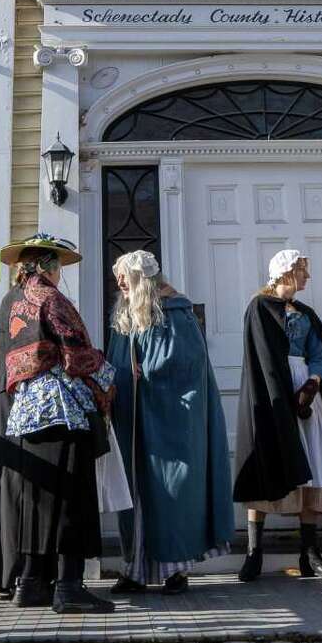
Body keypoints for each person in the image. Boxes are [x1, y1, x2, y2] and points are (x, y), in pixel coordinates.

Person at [0, 233, 117, 615]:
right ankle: (69, 586)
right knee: (71, 491)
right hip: (60, 407)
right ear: (48, 265)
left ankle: (31, 583)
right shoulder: (51, 298)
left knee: (35, 495)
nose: (60, 272)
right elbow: (76, 352)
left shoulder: (11, 300)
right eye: (58, 265)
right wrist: (107, 378)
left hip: (24, 409)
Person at [105, 251, 234, 595]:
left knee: (171, 491)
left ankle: (177, 571)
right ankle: (134, 569)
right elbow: (114, 359)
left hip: (169, 421)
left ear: (142, 279)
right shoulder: (125, 314)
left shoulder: (176, 313)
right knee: (134, 495)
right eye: (117, 278)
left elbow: (186, 365)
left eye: (125, 277)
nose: (119, 284)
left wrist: (143, 373)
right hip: (132, 420)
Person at [233, 249, 322, 582]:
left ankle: (309, 553)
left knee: (311, 466)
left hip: (306, 396)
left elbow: (318, 352)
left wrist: (312, 385)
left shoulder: (306, 313)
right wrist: (282, 397)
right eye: (302, 269)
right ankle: (254, 552)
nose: (307, 276)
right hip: (272, 393)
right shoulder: (259, 308)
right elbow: (262, 358)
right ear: (285, 273)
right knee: (267, 461)